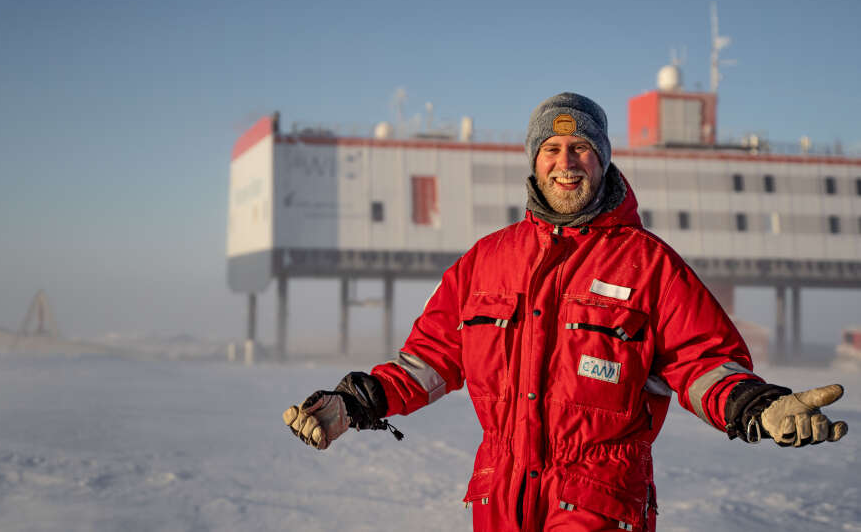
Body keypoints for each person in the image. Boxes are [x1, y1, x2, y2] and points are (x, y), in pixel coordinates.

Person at [282, 93, 848, 532]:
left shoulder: (648, 264)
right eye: (551, 149)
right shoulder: (487, 260)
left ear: (602, 160)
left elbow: (702, 362)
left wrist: (758, 406)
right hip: (500, 498)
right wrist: (352, 403)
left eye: (580, 148)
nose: (566, 162)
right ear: (535, 162)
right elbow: (428, 360)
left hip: (600, 500)